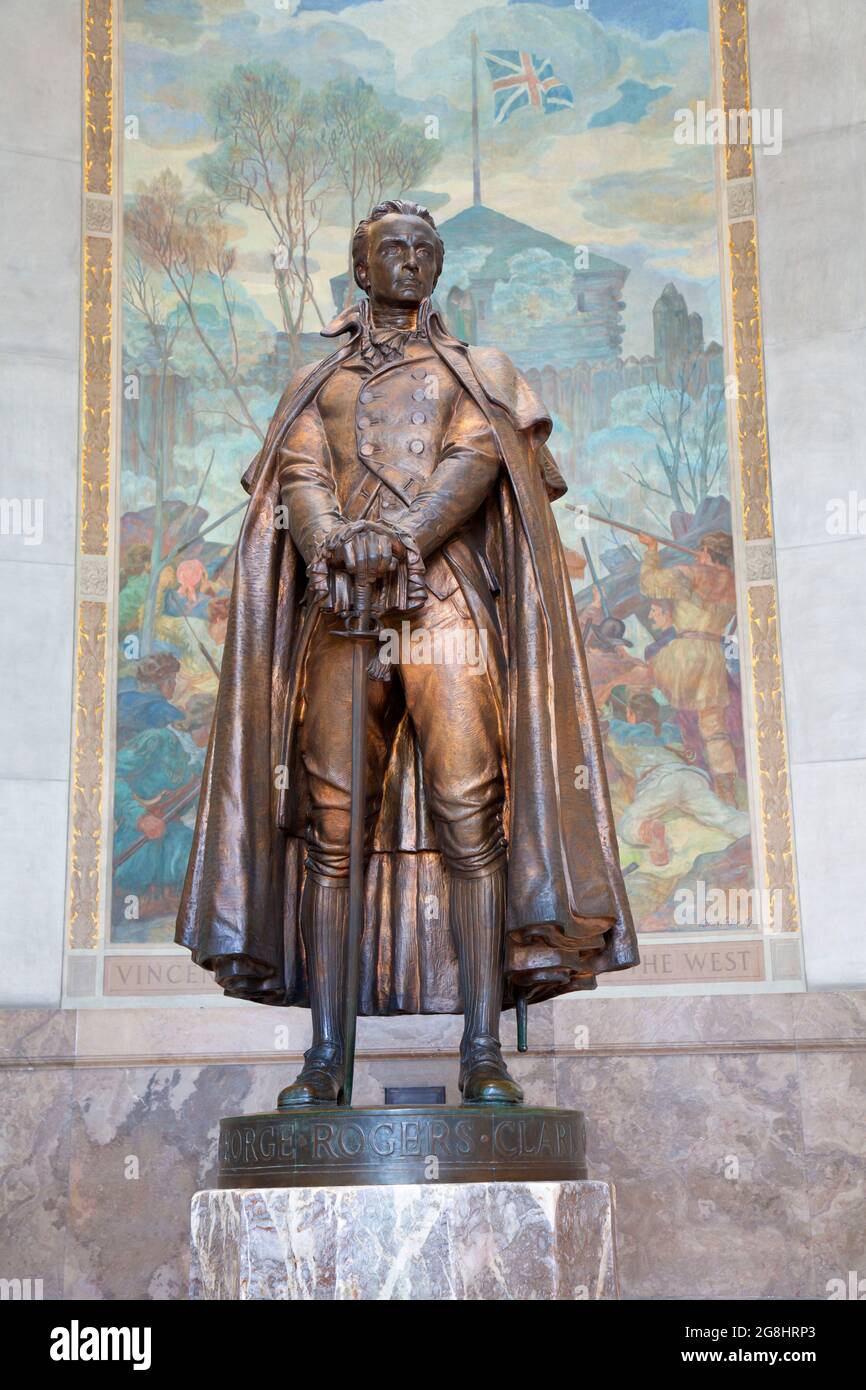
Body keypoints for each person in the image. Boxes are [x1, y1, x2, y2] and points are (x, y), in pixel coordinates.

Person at [176, 200, 638, 1107]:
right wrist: (331, 546)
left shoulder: (479, 370)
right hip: (343, 607)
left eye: (427, 251)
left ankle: (481, 1050)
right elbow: (300, 476)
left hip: (448, 600)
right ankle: (324, 1059)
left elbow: (475, 463)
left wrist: (403, 538)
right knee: (331, 825)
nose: (413, 262)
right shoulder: (320, 382)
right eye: (394, 248)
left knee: (472, 808)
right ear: (361, 265)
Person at [638, 529, 739, 804]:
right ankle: (726, 789)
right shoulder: (734, 582)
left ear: (705, 552)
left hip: (684, 655)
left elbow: (650, 584)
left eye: (701, 550)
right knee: (713, 726)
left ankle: (649, 731)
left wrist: (651, 550)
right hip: (712, 655)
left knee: (641, 672)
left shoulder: (693, 572)